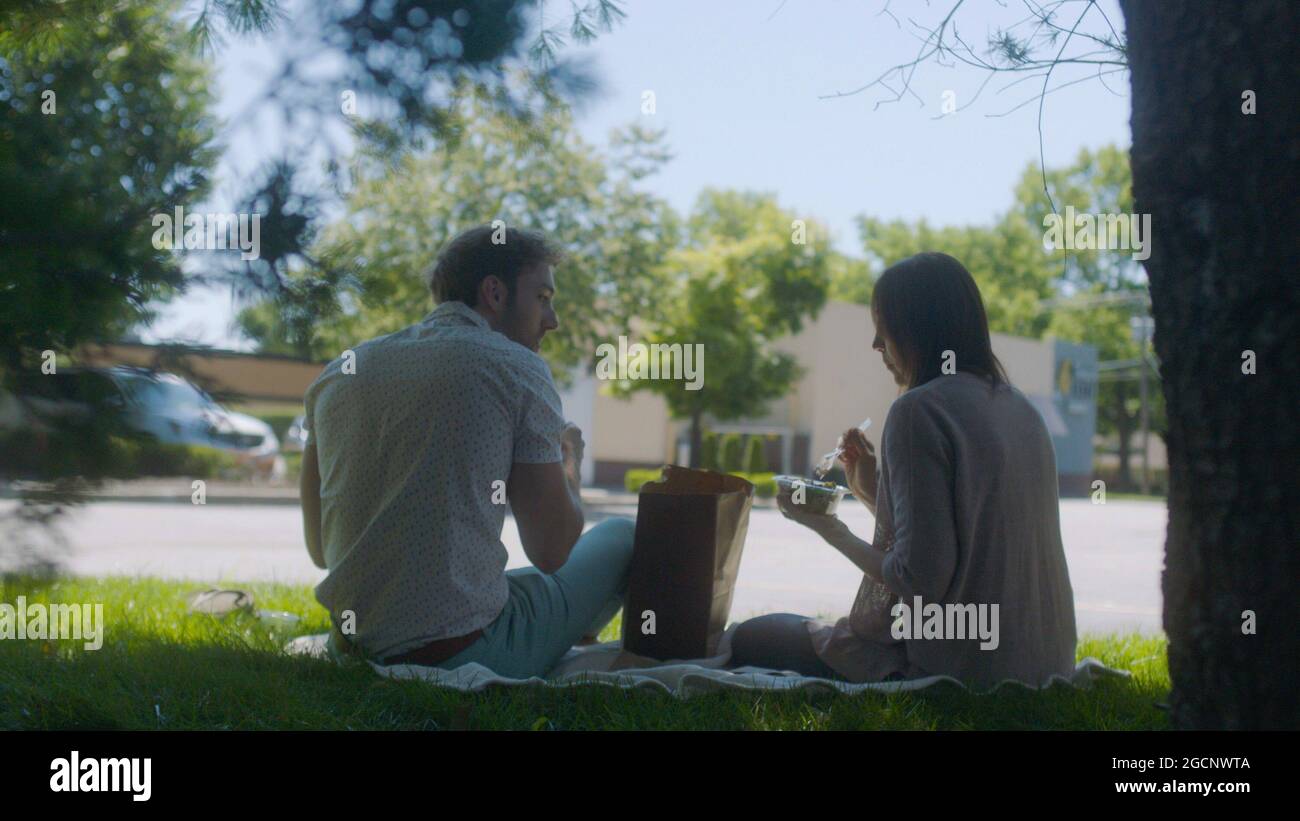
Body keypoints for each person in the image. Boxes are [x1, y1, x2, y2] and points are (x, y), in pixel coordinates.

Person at [299, 224, 636, 678]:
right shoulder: (516, 368)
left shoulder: (337, 373)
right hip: (463, 654)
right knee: (622, 535)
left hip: (352, 648)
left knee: (520, 586)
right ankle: (626, 647)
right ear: (494, 293)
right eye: (542, 297)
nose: (552, 319)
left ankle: (560, 632)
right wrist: (569, 459)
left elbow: (321, 551)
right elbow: (553, 551)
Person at [729, 252, 1077, 689]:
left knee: (753, 634)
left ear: (917, 328)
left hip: (966, 666)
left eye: (884, 325)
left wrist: (826, 526)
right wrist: (872, 491)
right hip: (1045, 659)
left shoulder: (919, 410)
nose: (876, 344)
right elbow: (962, 538)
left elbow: (920, 579)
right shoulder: (1020, 407)